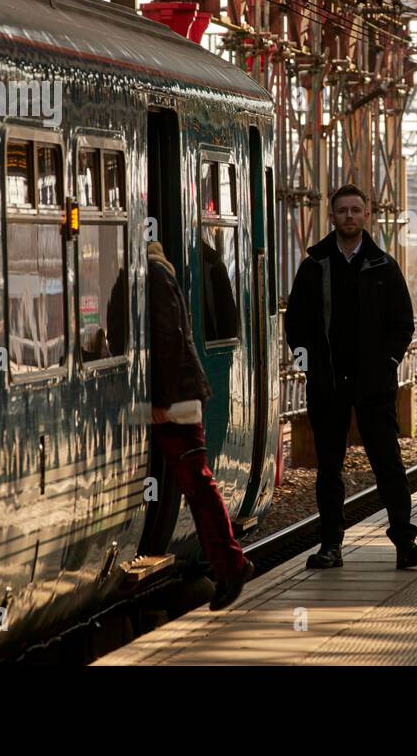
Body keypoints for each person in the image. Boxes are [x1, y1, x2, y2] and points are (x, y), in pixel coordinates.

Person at [284, 184, 417, 570]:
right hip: (327, 385)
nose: (349, 216)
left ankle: (404, 543)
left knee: (388, 464)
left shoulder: (384, 265)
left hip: (374, 386)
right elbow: (295, 322)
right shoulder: (314, 265)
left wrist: (388, 364)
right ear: (331, 217)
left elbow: (403, 324)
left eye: (356, 210)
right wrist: (307, 366)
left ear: (367, 216)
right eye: (342, 211)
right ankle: (330, 546)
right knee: (329, 469)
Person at [147, 241, 254, 610]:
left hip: (176, 399)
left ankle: (231, 564)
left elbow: (168, 337)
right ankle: (229, 562)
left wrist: (161, 400)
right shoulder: (156, 271)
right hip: (173, 396)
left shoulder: (154, 274)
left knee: (198, 482)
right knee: (196, 482)